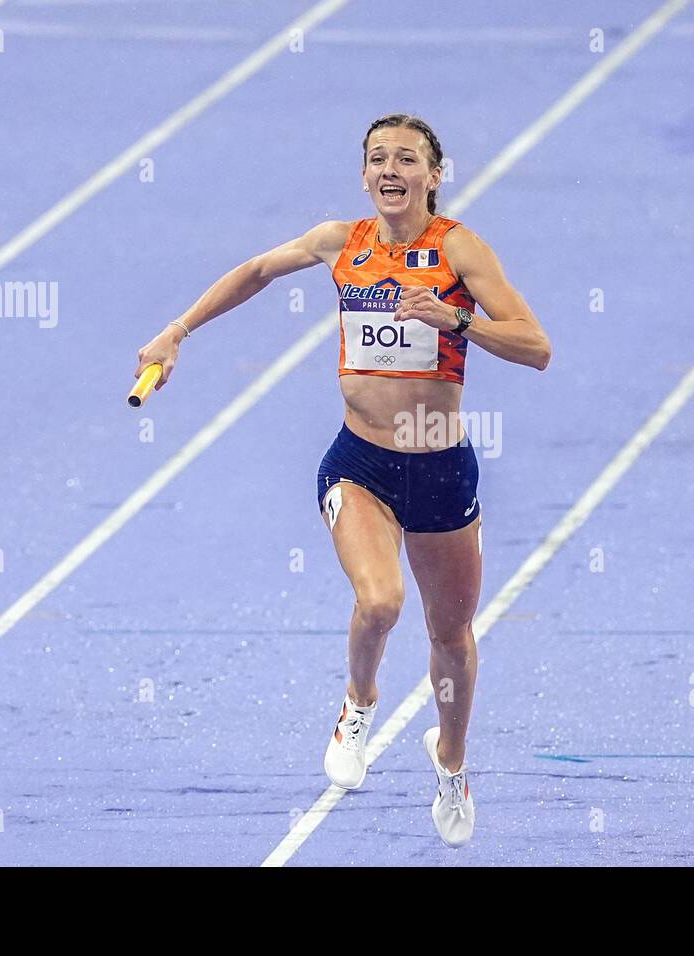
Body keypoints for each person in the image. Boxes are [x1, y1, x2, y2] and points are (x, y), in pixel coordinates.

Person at [134, 114, 551, 846]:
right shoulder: (341, 241)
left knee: (450, 634)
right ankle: (359, 705)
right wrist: (179, 329)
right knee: (380, 601)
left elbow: (536, 347)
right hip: (360, 462)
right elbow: (259, 271)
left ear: (434, 173)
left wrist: (458, 321)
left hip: (442, 467)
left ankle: (450, 762)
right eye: (378, 159)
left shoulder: (459, 248)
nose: (391, 169)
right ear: (364, 175)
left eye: (407, 159)